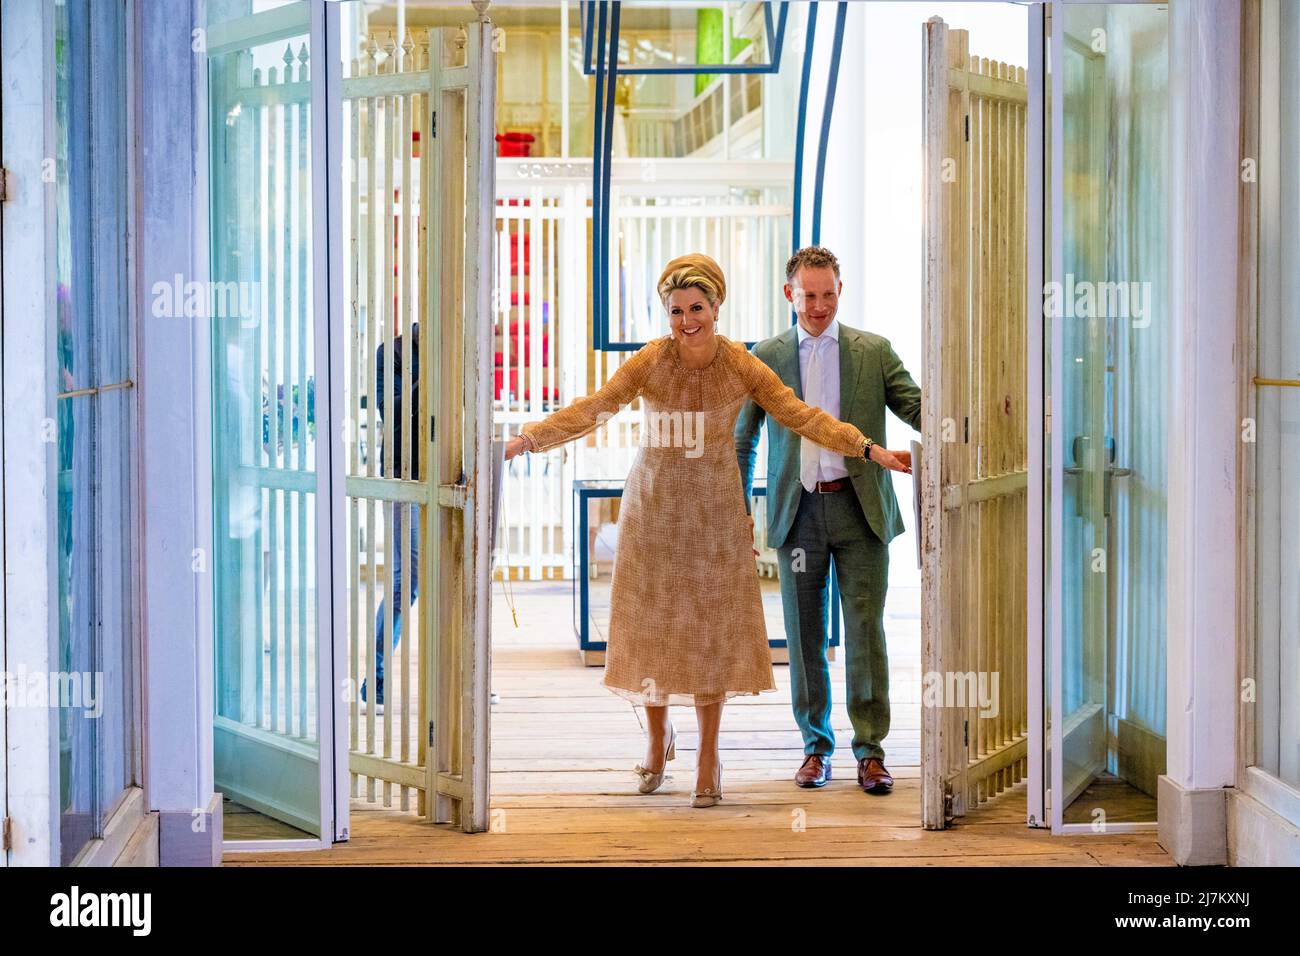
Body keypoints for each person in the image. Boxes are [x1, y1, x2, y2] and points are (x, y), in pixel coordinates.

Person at [505, 253, 898, 807]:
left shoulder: (741, 363)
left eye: (697, 308)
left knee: (712, 629)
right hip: (655, 508)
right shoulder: (650, 361)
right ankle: (656, 737)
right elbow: (597, 408)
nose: (687, 320)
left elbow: (799, 414)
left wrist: (865, 447)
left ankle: (708, 753)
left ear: (717, 306)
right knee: (653, 625)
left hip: (715, 512)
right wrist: (527, 440)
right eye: (676, 310)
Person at [735, 246, 920, 796]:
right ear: (789, 293)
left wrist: (968, 414)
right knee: (805, 636)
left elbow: (915, 405)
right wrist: (739, 511)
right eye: (808, 294)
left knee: (866, 633)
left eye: (828, 294)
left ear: (842, 291)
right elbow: (744, 439)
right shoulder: (763, 356)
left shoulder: (873, 350)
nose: (818, 305)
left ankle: (871, 752)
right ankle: (816, 747)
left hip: (862, 512)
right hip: (798, 514)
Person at [362, 322, 420, 712]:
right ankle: (375, 682)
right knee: (408, 582)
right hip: (406, 477)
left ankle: (470, 683)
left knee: (462, 580)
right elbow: (394, 412)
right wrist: (434, 375)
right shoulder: (393, 353)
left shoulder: (465, 346)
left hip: (455, 475)